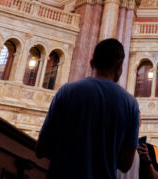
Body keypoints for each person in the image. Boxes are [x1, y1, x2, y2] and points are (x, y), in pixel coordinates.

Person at [37, 38, 141, 179]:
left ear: (92, 63)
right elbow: (125, 164)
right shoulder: (131, 104)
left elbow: (42, 148)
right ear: (119, 66)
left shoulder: (67, 91)